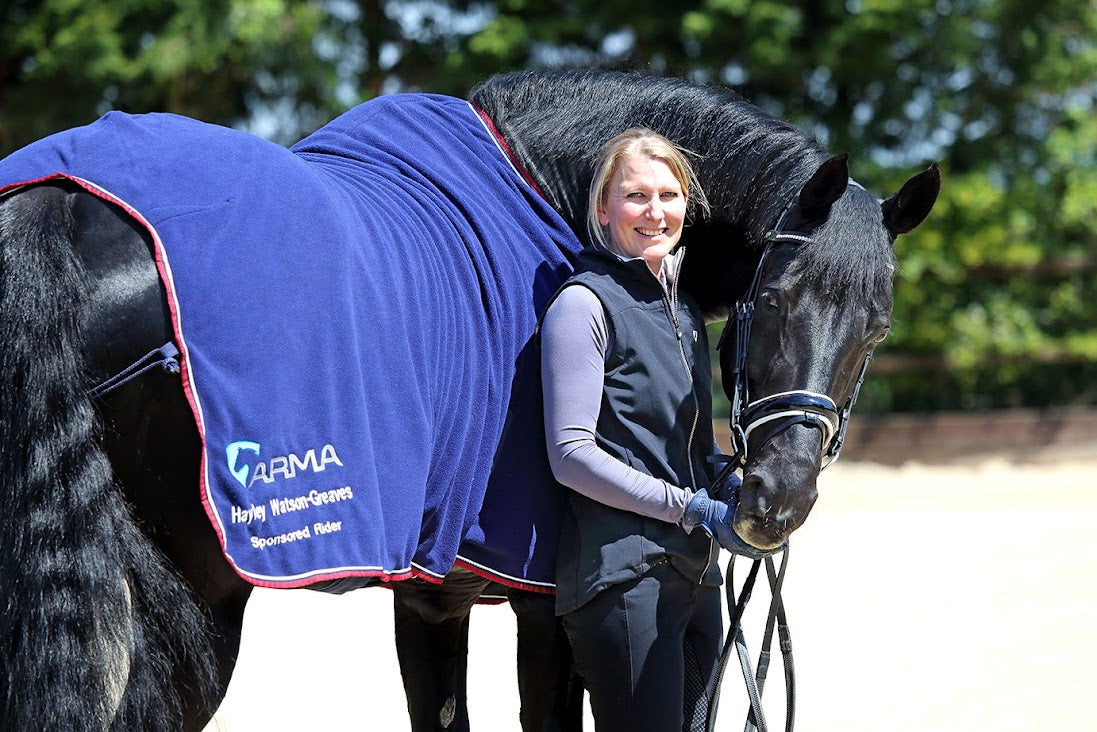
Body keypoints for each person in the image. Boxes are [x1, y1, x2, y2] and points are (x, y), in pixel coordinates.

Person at [540, 128, 745, 731]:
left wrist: (733, 489)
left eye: (668, 195)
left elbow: (690, 445)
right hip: (626, 579)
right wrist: (691, 507)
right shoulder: (582, 306)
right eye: (635, 196)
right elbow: (570, 454)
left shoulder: (685, 312)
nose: (655, 212)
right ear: (603, 209)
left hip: (696, 572)